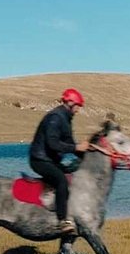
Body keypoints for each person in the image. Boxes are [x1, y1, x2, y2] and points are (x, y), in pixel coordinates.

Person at [29, 87, 89, 235]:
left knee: (71, 175)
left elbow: (71, 145)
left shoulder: (66, 119)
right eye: (77, 106)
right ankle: (63, 221)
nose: (78, 110)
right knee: (61, 181)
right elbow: (53, 144)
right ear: (69, 103)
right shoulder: (55, 117)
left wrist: (86, 156)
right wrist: (76, 147)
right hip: (39, 160)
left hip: (50, 160)